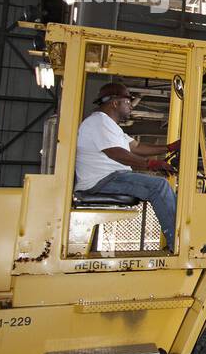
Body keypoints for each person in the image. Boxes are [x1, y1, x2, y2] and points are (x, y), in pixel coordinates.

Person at [75, 81, 178, 250]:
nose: (131, 107)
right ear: (115, 103)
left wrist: (169, 147)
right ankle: (179, 244)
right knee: (159, 186)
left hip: (112, 178)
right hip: (102, 181)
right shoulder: (98, 122)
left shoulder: (111, 126)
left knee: (165, 189)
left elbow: (136, 147)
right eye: (128, 102)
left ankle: (180, 236)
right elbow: (115, 153)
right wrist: (150, 164)